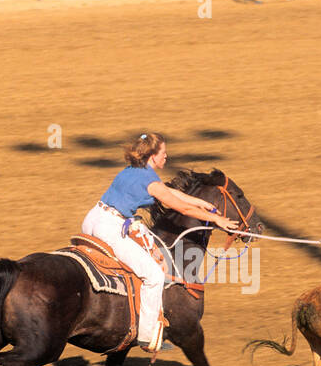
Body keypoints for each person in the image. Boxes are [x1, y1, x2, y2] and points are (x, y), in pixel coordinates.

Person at [81, 133, 241, 353]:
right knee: (154, 275)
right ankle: (147, 337)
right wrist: (216, 219)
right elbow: (180, 207)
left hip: (93, 219)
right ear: (153, 156)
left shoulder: (134, 170)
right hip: (109, 228)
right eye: (163, 153)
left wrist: (202, 204)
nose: (167, 157)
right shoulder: (149, 180)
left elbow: (169, 192)